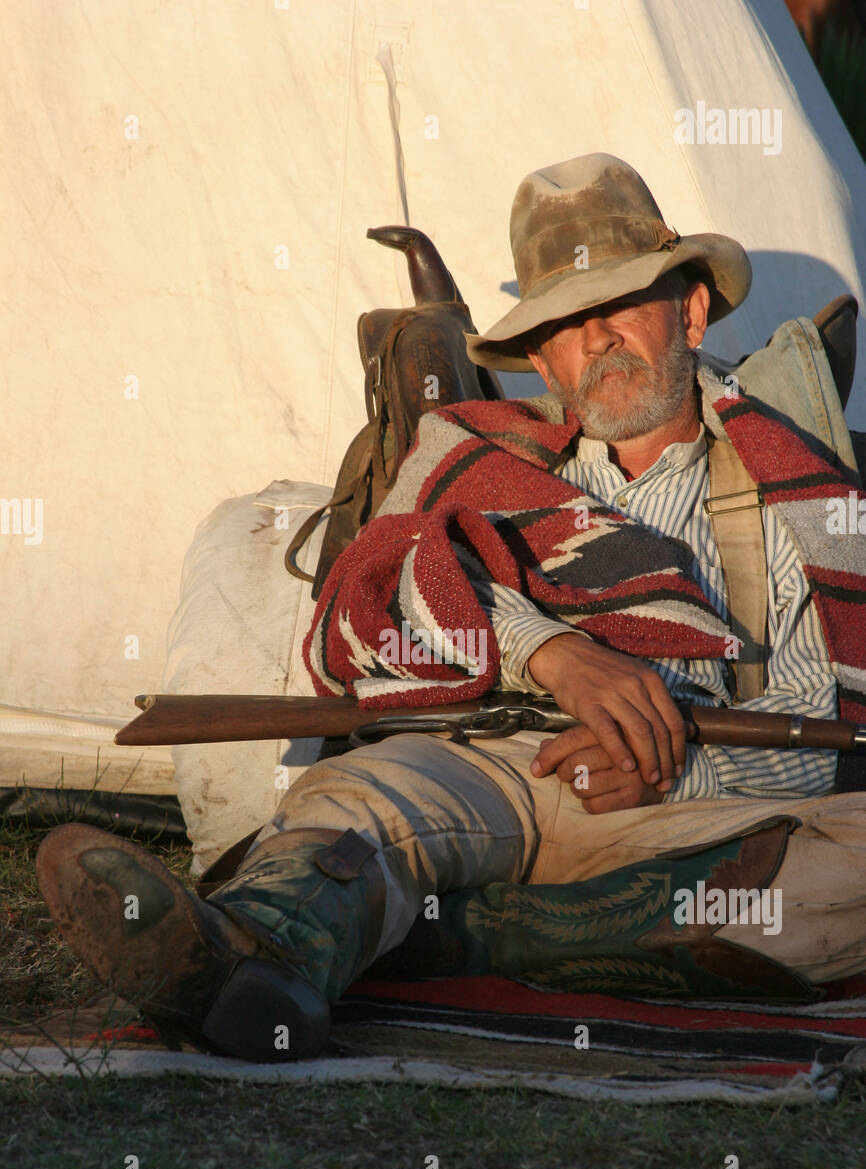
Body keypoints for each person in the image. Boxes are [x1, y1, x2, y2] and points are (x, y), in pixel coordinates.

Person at [37, 153, 866, 1063]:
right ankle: (242, 961)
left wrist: (668, 768)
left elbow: (813, 740)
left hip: (689, 814)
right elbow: (387, 587)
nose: (597, 339)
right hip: (489, 768)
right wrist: (551, 651)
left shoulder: (781, 486)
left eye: (621, 302)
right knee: (357, 801)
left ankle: (449, 938)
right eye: (565, 322)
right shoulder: (481, 463)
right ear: (540, 357)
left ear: (691, 310)